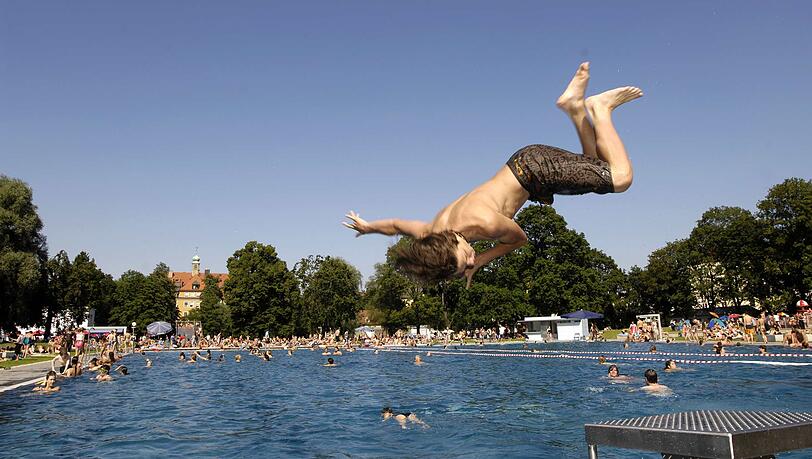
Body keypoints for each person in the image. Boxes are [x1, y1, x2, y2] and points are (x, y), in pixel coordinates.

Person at [344, 63, 642, 286]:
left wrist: (482, 261)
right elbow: (396, 225)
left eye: (465, 260)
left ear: (452, 246)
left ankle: (599, 107)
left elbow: (519, 239)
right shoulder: (432, 232)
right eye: (466, 266)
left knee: (620, 178)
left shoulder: (483, 223)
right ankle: (575, 107)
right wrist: (368, 227)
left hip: (537, 170)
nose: (470, 260)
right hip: (527, 169)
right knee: (596, 165)